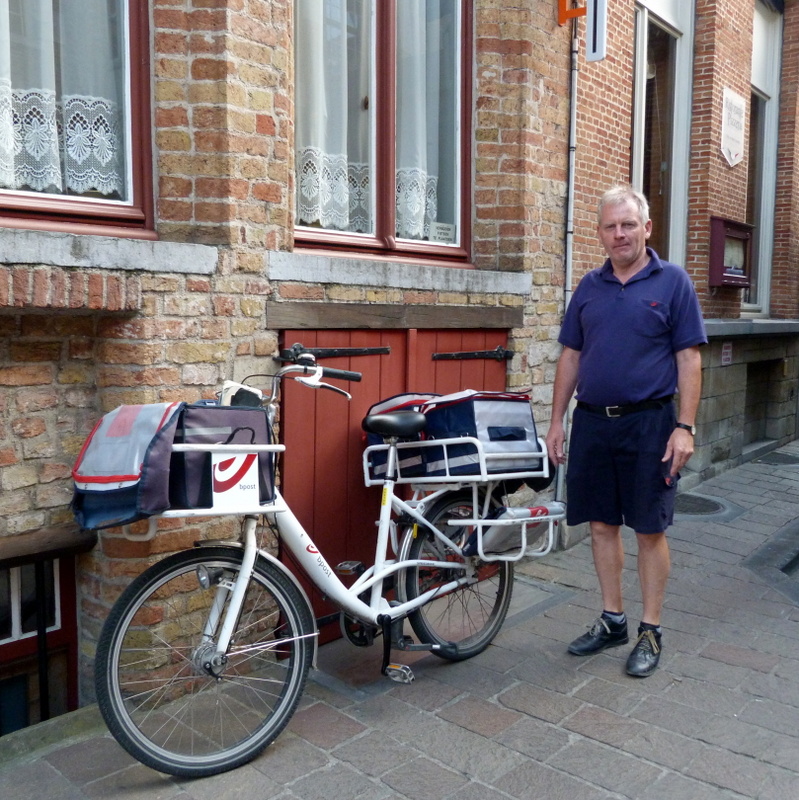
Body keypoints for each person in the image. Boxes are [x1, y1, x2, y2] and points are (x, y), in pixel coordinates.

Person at [545, 185, 707, 677]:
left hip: (650, 425)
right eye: (611, 226)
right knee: (599, 524)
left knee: (649, 528)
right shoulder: (588, 288)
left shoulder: (673, 282)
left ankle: (650, 630)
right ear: (599, 233)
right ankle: (613, 618)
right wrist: (556, 419)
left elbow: (689, 358)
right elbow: (571, 355)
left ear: (646, 228)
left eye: (628, 225)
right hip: (594, 421)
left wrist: (685, 426)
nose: (620, 234)